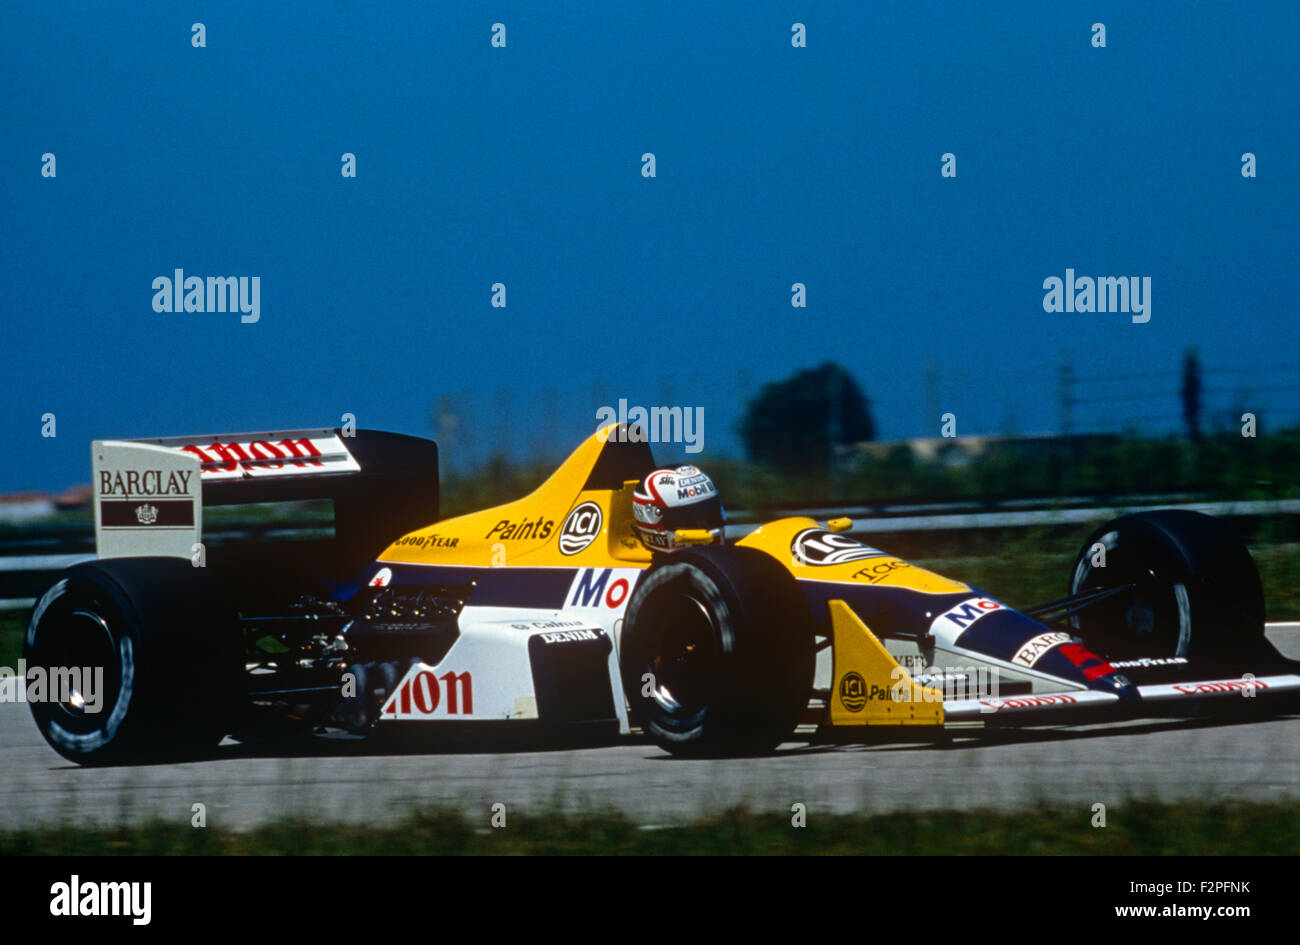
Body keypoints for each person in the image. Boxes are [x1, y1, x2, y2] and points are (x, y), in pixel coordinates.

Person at [630, 465, 726, 552]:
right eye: (687, 521)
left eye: (711, 515)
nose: (705, 526)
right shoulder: (670, 570)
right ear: (653, 520)